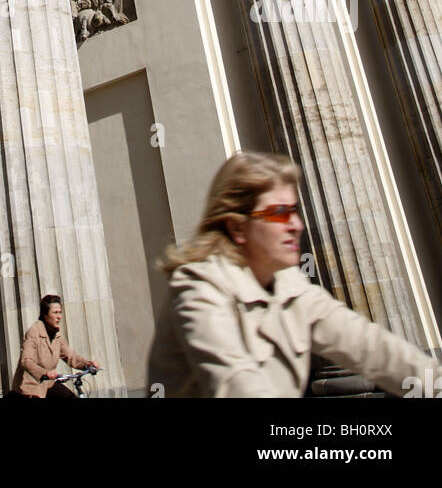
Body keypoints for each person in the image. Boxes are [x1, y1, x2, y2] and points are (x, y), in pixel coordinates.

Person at [148, 151, 441, 398]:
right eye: (279, 213)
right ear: (237, 227)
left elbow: (376, 350)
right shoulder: (199, 287)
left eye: (295, 211)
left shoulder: (291, 285)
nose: (296, 225)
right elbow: (236, 384)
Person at [9, 295, 99, 398]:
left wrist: (88, 365)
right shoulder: (33, 332)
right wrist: (44, 373)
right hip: (30, 387)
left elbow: (71, 357)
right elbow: (26, 360)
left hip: (48, 384)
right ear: (45, 314)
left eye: (60, 312)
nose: (59, 316)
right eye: (55, 313)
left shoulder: (57, 335)